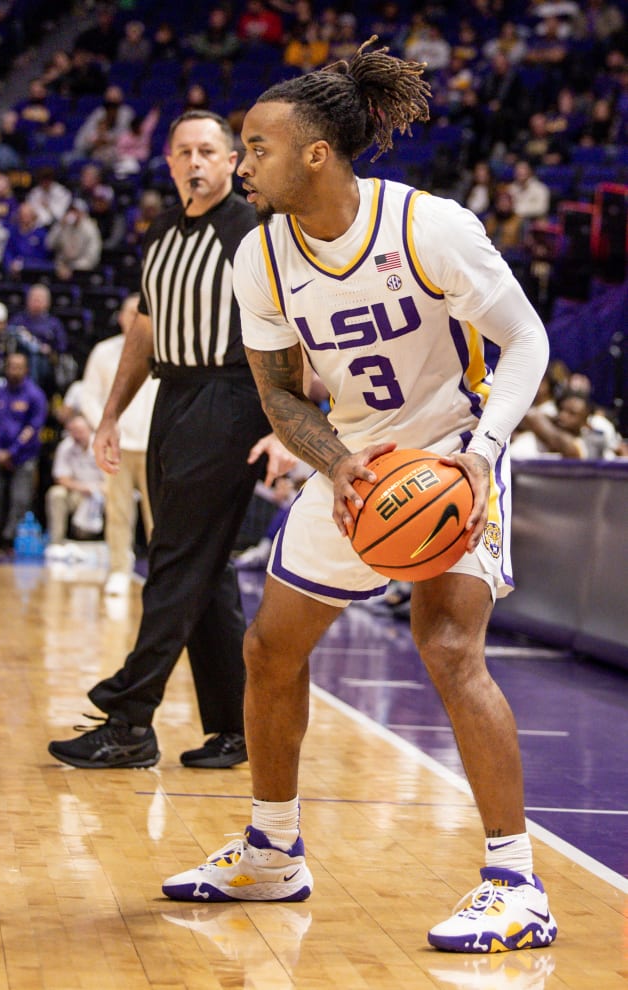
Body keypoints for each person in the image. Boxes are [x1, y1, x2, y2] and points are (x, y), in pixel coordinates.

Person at [160, 40, 558, 956]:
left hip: (454, 452)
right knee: (269, 648)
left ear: (315, 153)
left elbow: (527, 342)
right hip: (358, 463)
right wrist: (337, 468)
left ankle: (516, 882)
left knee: (449, 646)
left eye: (256, 146)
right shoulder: (259, 259)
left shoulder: (430, 228)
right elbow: (280, 395)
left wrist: (481, 453)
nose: (242, 162)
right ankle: (272, 849)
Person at [48, 109, 295, 772]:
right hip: (173, 397)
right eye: (184, 151)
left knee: (175, 557)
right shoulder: (160, 233)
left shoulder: (255, 230)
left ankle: (128, 718)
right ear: (168, 162)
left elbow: (293, 327)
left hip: (232, 393)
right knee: (203, 566)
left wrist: (285, 422)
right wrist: (108, 416)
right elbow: (144, 333)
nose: (196, 162)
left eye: (209, 151)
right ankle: (237, 729)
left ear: (232, 160)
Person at [80, 293, 158, 595]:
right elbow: (89, 395)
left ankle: (160, 576)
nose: (135, 317)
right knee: (118, 511)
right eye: (130, 311)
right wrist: (105, 426)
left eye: (140, 312)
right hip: (119, 446)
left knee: (159, 517)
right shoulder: (103, 352)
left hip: (154, 444)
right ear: (121, 317)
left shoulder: (163, 350)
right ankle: (118, 571)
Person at [0, 352, 47, 553]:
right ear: (6, 368)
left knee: (20, 499)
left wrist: (13, 452)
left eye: (19, 366)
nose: (14, 370)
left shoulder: (35, 395)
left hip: (24, 456)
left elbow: (33, 428)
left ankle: (10, 541)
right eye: (11, 366)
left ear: (26, 369)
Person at [45, 413, 105, 544]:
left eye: (80, 431)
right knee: (56, 494)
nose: (77, 435)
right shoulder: (65, 447)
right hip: (77, 492)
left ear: (89, 429)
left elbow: (113, 478)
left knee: (125, 497)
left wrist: (97, 490)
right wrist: (83, 488)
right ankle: (56, 542)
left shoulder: (102, 446)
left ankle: (120, 546)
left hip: (103, 493)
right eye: (73, 431)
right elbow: (61, 478)